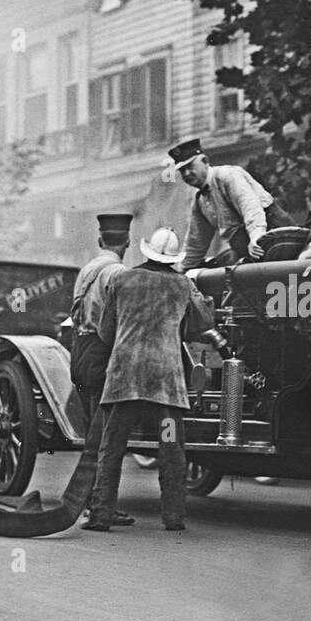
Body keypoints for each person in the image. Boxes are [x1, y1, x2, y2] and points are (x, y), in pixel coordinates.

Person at [84, 227, 221, 532]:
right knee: (171, 449)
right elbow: (203, 322)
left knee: (112, 447)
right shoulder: (183, 285)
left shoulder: (121, 279)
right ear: (173, 258)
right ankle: (173, 517)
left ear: (146, 252)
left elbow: (106, 332)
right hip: (165, 388)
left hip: (124, 381)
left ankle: (101, 514)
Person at [166, 138, 298, 272]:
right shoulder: (199, 200)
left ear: (205, 161)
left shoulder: (227, 175)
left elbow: (250, 207)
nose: (187, 174)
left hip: (276, 239)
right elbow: (195, 243)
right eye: (182, 171)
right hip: (250, 252)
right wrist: (181, 272)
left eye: (190, 167)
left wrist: (257, 238)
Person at [70, 213, 132, 426]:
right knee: (102, 426)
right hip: (103, 352)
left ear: (99, 241)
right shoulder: (120, 272)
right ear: (128, 242)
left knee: (90, 424)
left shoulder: (86, 271)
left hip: (80, 350)